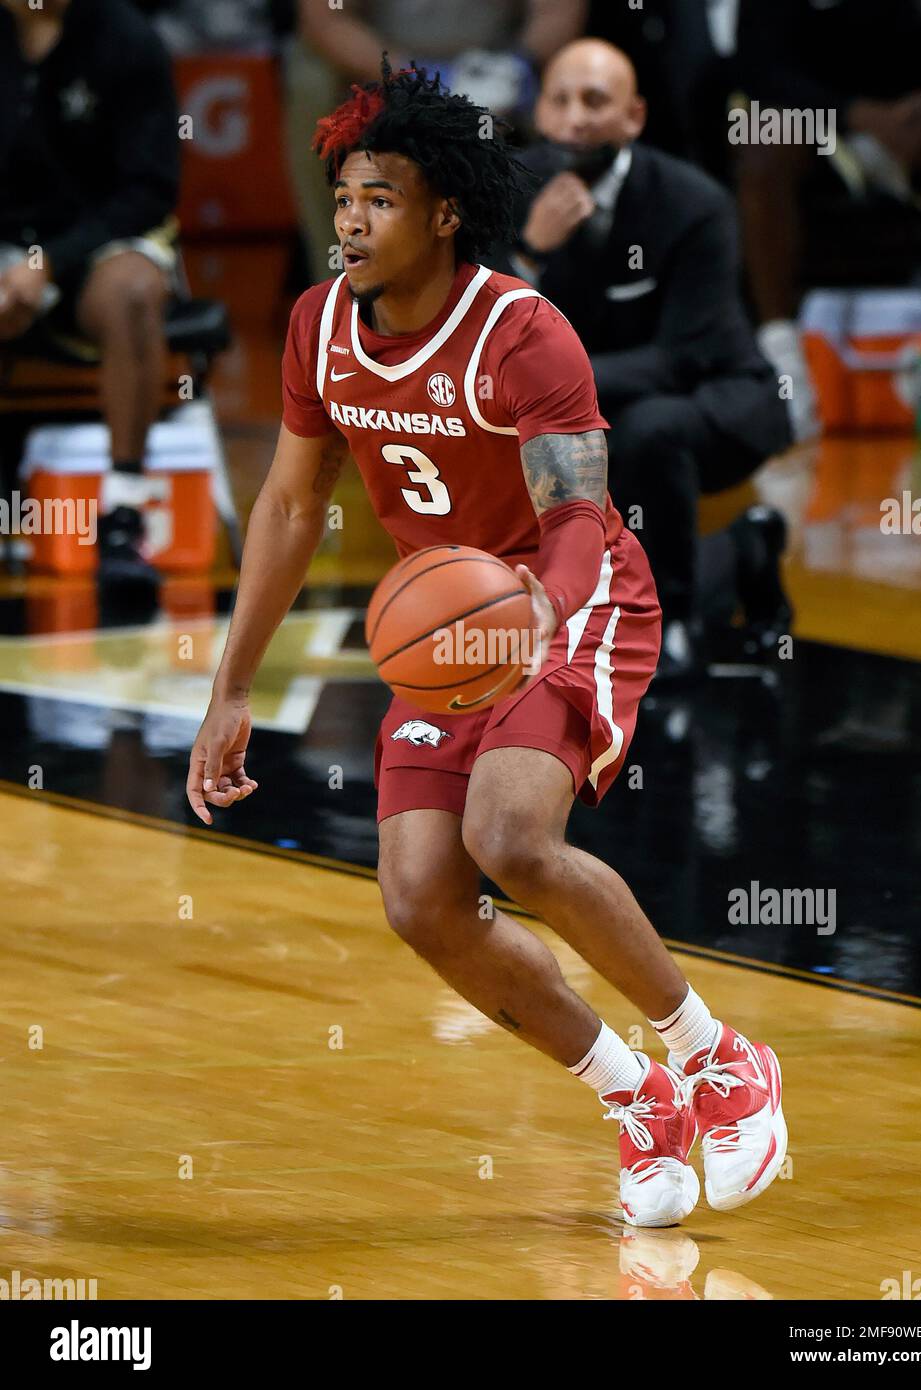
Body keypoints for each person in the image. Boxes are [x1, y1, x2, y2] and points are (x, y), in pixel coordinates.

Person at [186, 60, 787, 1227]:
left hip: (580, 600)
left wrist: (540, 619)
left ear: (444, 214)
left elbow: (576, 518)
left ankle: (716, 1053)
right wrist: (233, 683)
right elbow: (292, 508)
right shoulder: (318, 330)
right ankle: (637, 1099)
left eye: (383, 200)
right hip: (453, 628)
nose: (351, 222)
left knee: (508, 833)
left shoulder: (524, 333)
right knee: (417, 897)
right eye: (345, 197)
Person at [495, 39, 794, 682]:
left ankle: (677, 620)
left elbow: (686, 353)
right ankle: (743, 549)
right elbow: (484, 332)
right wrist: (529, 254)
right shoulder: (510, 196)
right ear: (539, 112)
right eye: (560, 100)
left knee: (647, 432)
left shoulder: (694, 203)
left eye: (595, 101)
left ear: (634, 116)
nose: (574, 117)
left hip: (716, 397)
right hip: (598, 407)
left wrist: (554, 391)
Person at [0, 0, 180, 585]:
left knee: (131, 292)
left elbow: (150, 189)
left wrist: (48, 263)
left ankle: (124, 509)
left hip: (97, 244)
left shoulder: (127, 38)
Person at [736, 0, 921, 440]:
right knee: (760, 139)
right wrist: (858, 114)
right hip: (829, 126)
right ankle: (781, 352)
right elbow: (758, 66)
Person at [285, 0, 587, 284]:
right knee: (310, 81)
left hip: (501, 61)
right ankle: (339, 285)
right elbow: (325, 18)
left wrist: (518, 64)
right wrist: (413, 73)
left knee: (583, 71)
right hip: (380, 65)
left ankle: (551, 286)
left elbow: (558, 11)